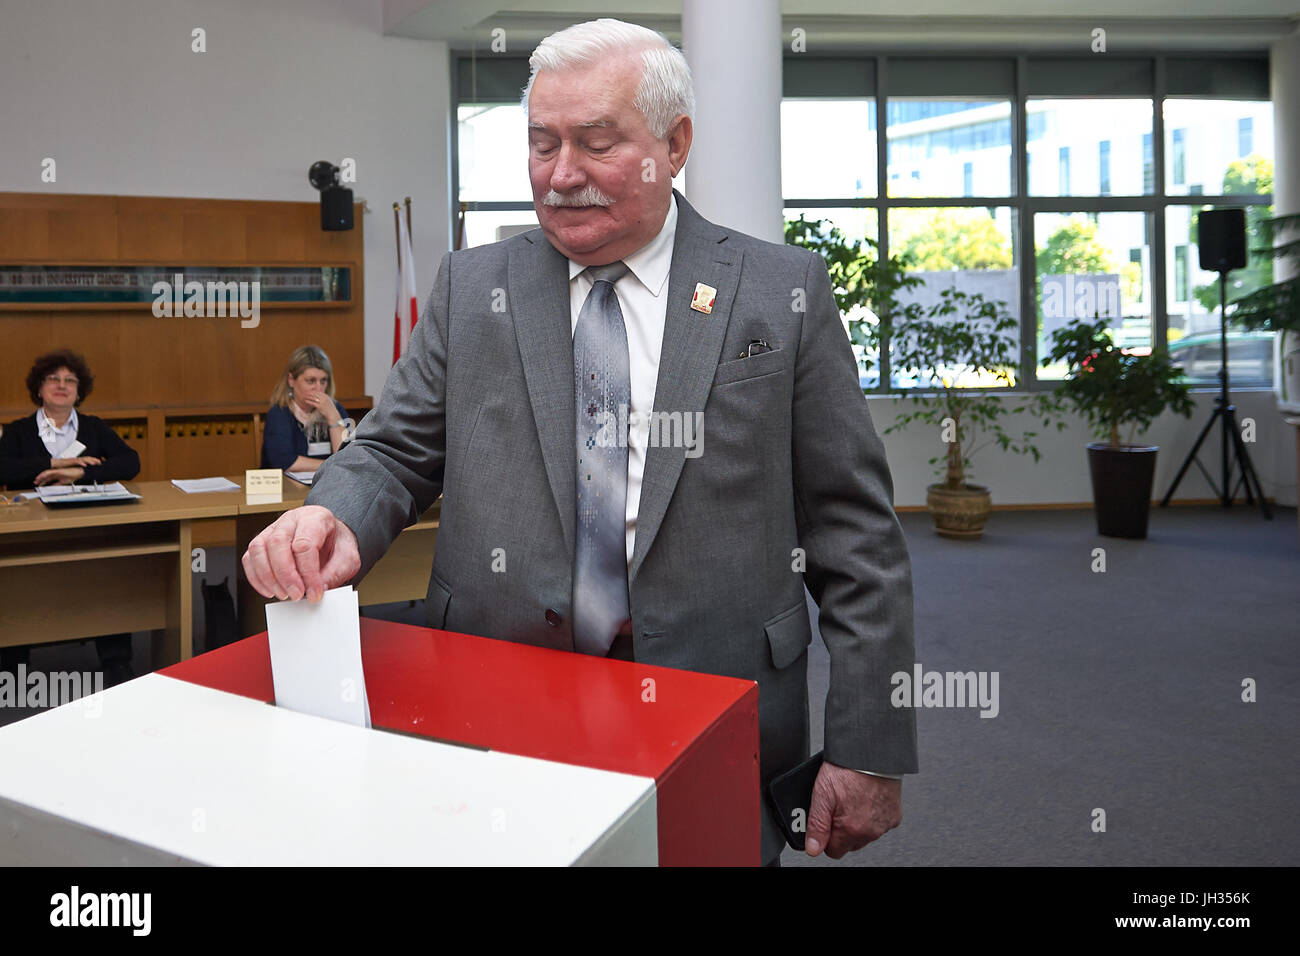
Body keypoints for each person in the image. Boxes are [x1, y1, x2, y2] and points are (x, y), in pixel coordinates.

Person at [242, 18, 917, 866]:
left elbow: (856, 536)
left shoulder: (780, 293)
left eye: (597, 143)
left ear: (674, 146)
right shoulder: (472, 285)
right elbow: (393, 449)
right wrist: (333, 514)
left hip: (714, 702)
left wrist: (869, 745)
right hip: (493, 694)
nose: (562, 175)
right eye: (541, 144)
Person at [0, 349, 142, 686]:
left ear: (79, 391)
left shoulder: (93, 427)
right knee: (19, 582)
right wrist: (52, 464)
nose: (62, 386)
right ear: (39, 388)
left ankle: (116, 659)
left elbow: (130, 462)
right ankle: (13, 662)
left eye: (70, 381)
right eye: (53, 380)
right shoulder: (18, 431)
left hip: (86, 521)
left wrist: (78, 473)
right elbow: (3, 468)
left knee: (108, 570)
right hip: (30, 526)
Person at [261, 346, 354, 472]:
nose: (318, 388)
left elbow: (349, 458)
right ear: (291, 380)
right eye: (311, 381)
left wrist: (333, 418)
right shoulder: (280, 413)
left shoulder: (334, 409)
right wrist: (331, 466)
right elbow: (284, 462)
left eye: (323, 381)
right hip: (288, 488)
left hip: (327, 486)